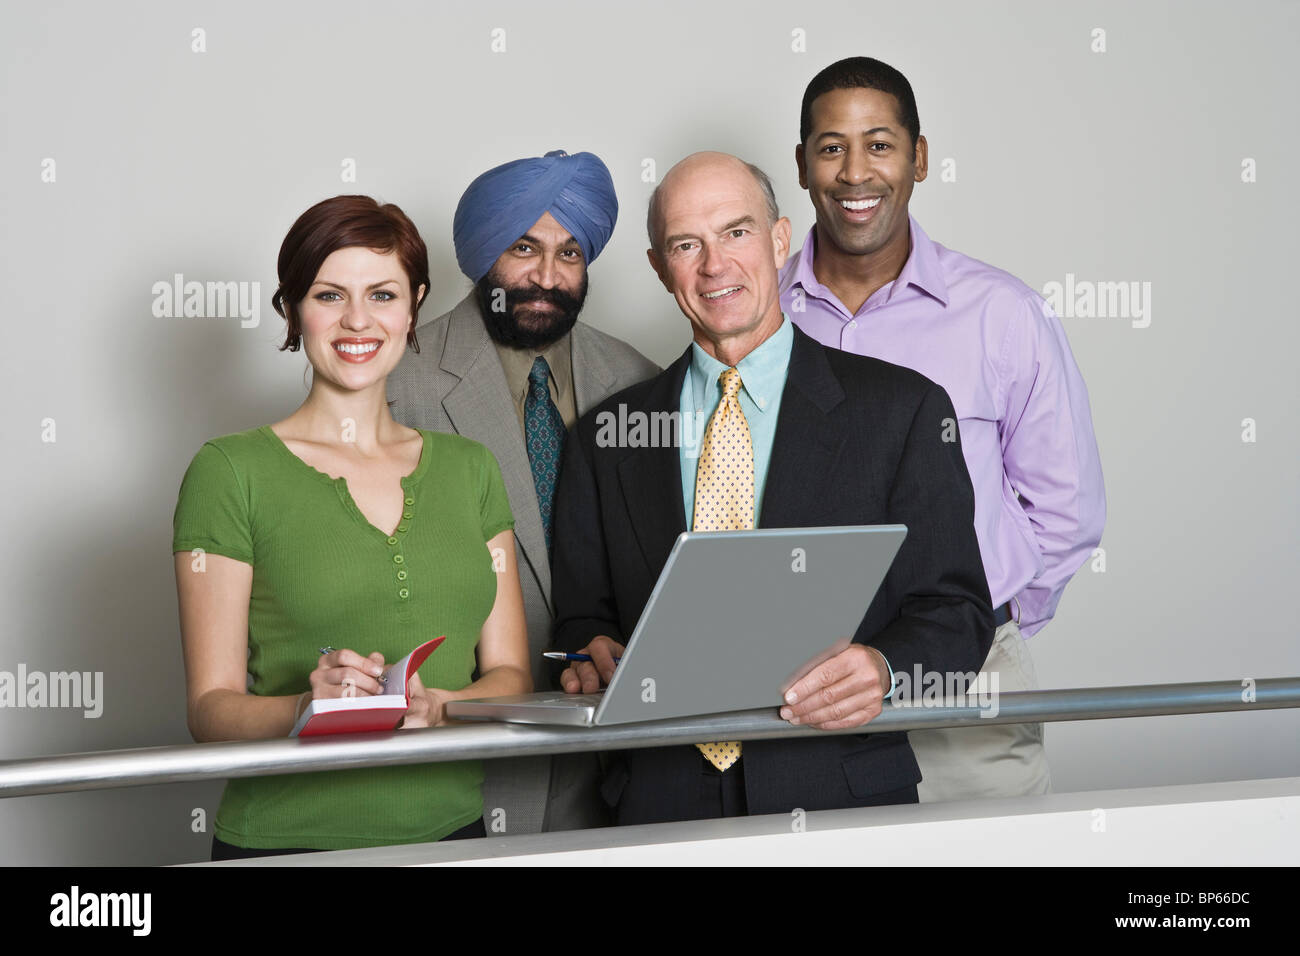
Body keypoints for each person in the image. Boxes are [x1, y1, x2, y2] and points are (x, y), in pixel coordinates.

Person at [550, 151, 994, 825]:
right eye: (685, 244)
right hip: (659, 806)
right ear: (658, 267)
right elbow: (583, 618)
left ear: (780, 240)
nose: (714, 265)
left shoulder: (902, 412)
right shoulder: (603, 438)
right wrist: (592, 651)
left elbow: (958, 612)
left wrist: (886, 667)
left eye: (736, 232)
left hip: (842, 797)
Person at [780, 56, 1106, 801]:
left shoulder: (1001, 313)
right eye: (832, 147)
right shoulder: (760, 311)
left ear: (919, 158)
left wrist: (981, 622)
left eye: (881, 144)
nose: (856, 172)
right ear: (802, 165)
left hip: (969, 686)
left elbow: (1069, 508)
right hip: (803, 686)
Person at [172, 195, 531, 858]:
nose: (358, 320)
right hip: (283, 846)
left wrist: (441, 707)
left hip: (455, 840)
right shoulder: (230, 472)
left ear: (414, 305)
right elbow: (210, 710)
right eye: (329, 295)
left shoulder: (472, 469)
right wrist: (304, 710)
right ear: (291, 309)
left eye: (383, 294)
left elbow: (511, 674)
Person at [387, 150, 658, 834]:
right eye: (523, 248)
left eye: (570, 254)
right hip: (454, 750)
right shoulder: (399, 379)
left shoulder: (642, 381)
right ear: (482, 256)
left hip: (616, 755)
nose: (547, 277)